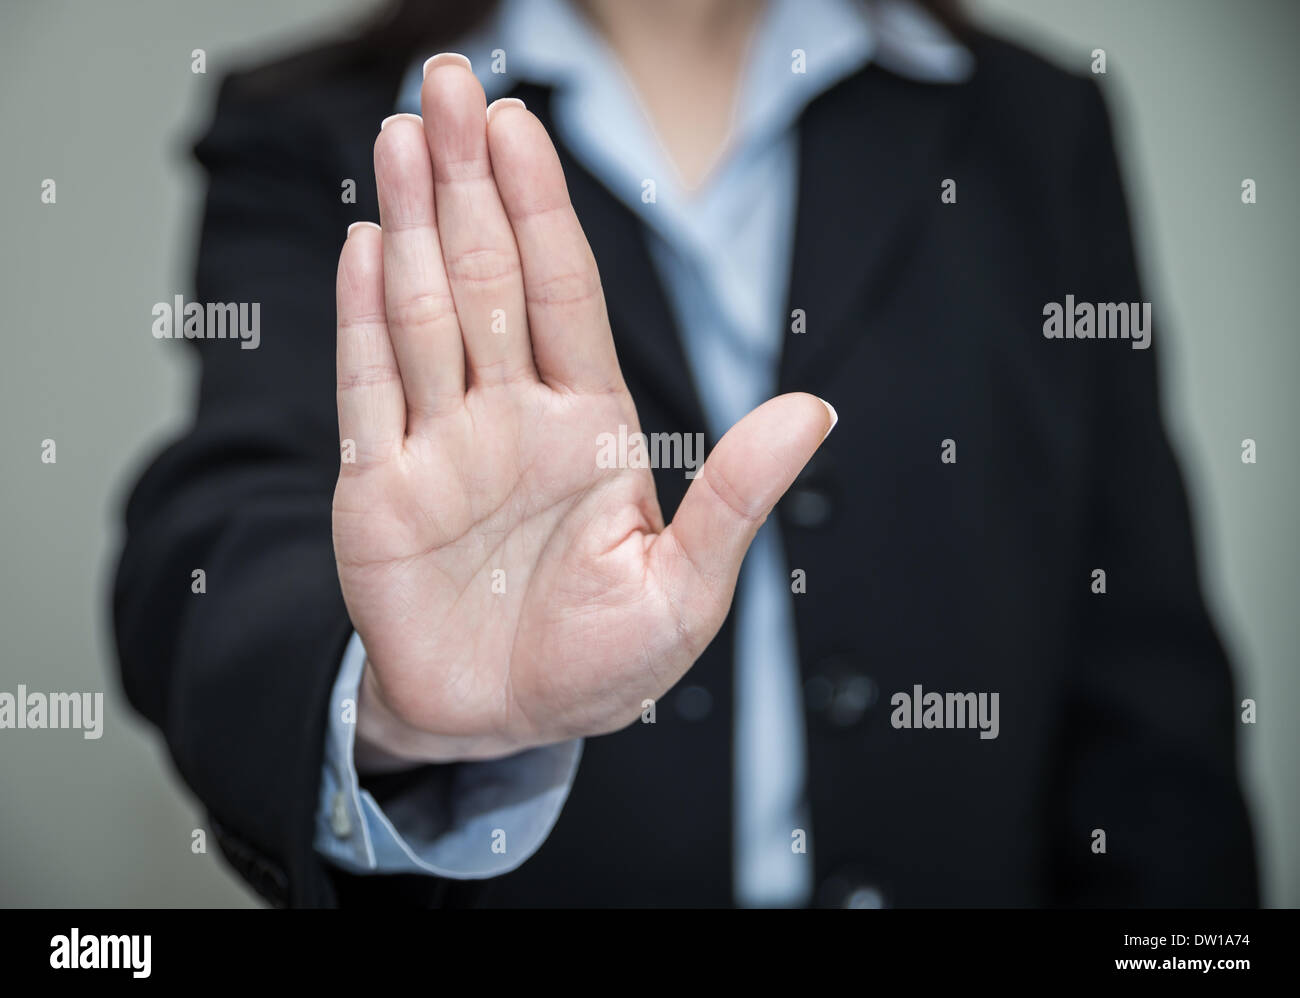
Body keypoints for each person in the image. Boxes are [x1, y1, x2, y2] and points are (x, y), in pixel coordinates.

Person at [113, 0, 1258, 907]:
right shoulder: (317, 125)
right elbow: (218, 535)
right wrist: (395, 703)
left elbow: (1139, 653)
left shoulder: (1029, 124)